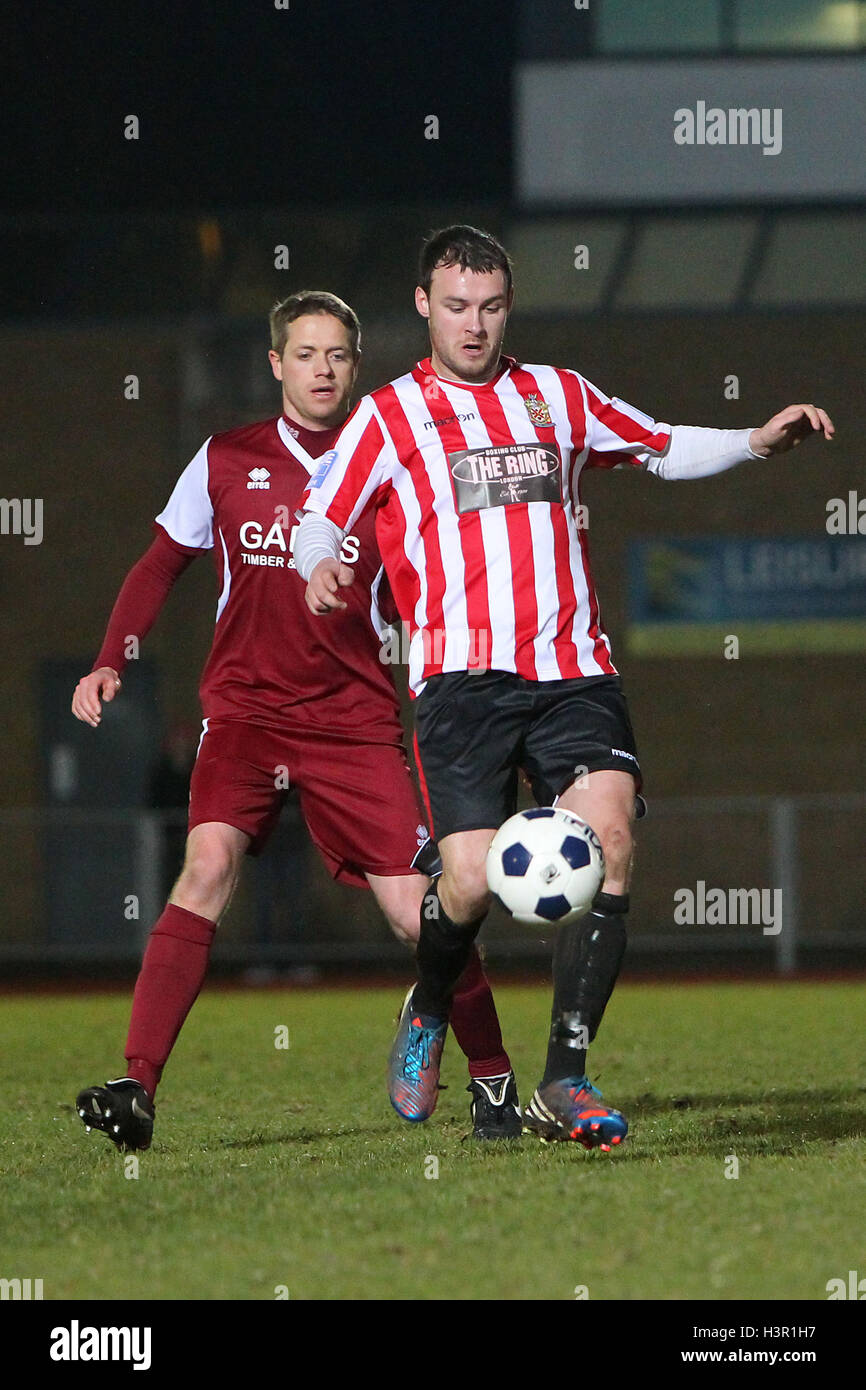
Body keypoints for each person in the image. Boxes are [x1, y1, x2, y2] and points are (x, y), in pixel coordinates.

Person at [295, 226, 834, 1150]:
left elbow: (659, 443)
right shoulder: (388, 417)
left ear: (510, 307)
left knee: (612, 840)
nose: (475, 324)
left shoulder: (556, 395)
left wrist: (750, 439)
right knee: (465, 883)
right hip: (460, 682)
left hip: (571, 670)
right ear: (425, 305)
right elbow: (321, 513)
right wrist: (317, 566)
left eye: (492, 306)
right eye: (456, 306)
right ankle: (428, 1001)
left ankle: (564, 1078)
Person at [71, 290, 519, 1152]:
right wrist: (109, 658)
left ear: (356, 366)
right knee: (205, 867)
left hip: (353, 723)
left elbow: (442, 589)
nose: (322, 369)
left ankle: (493, 1082)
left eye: (338, 355)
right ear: (276, 364)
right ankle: (138, 1086)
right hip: (245, 715)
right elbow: (160, 563)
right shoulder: (225, 460)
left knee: (421, 912)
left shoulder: (392, 465)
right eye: (305, 354)